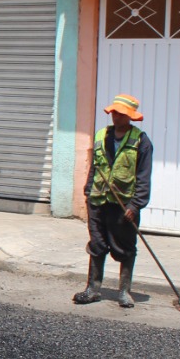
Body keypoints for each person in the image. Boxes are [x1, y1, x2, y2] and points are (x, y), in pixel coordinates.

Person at [74, 93, 153, 309]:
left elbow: (143, 177)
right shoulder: (101, 135)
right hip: (99, 200)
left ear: (130, 117)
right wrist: (89, 191)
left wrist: (136, 205)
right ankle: (92, 289)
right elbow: (95, 167)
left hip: (123, 204)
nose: (116, 117)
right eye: (114, 112)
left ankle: (124, 291)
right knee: (97, 244)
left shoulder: (141, 142)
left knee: (125, 247)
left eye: (121, 114)